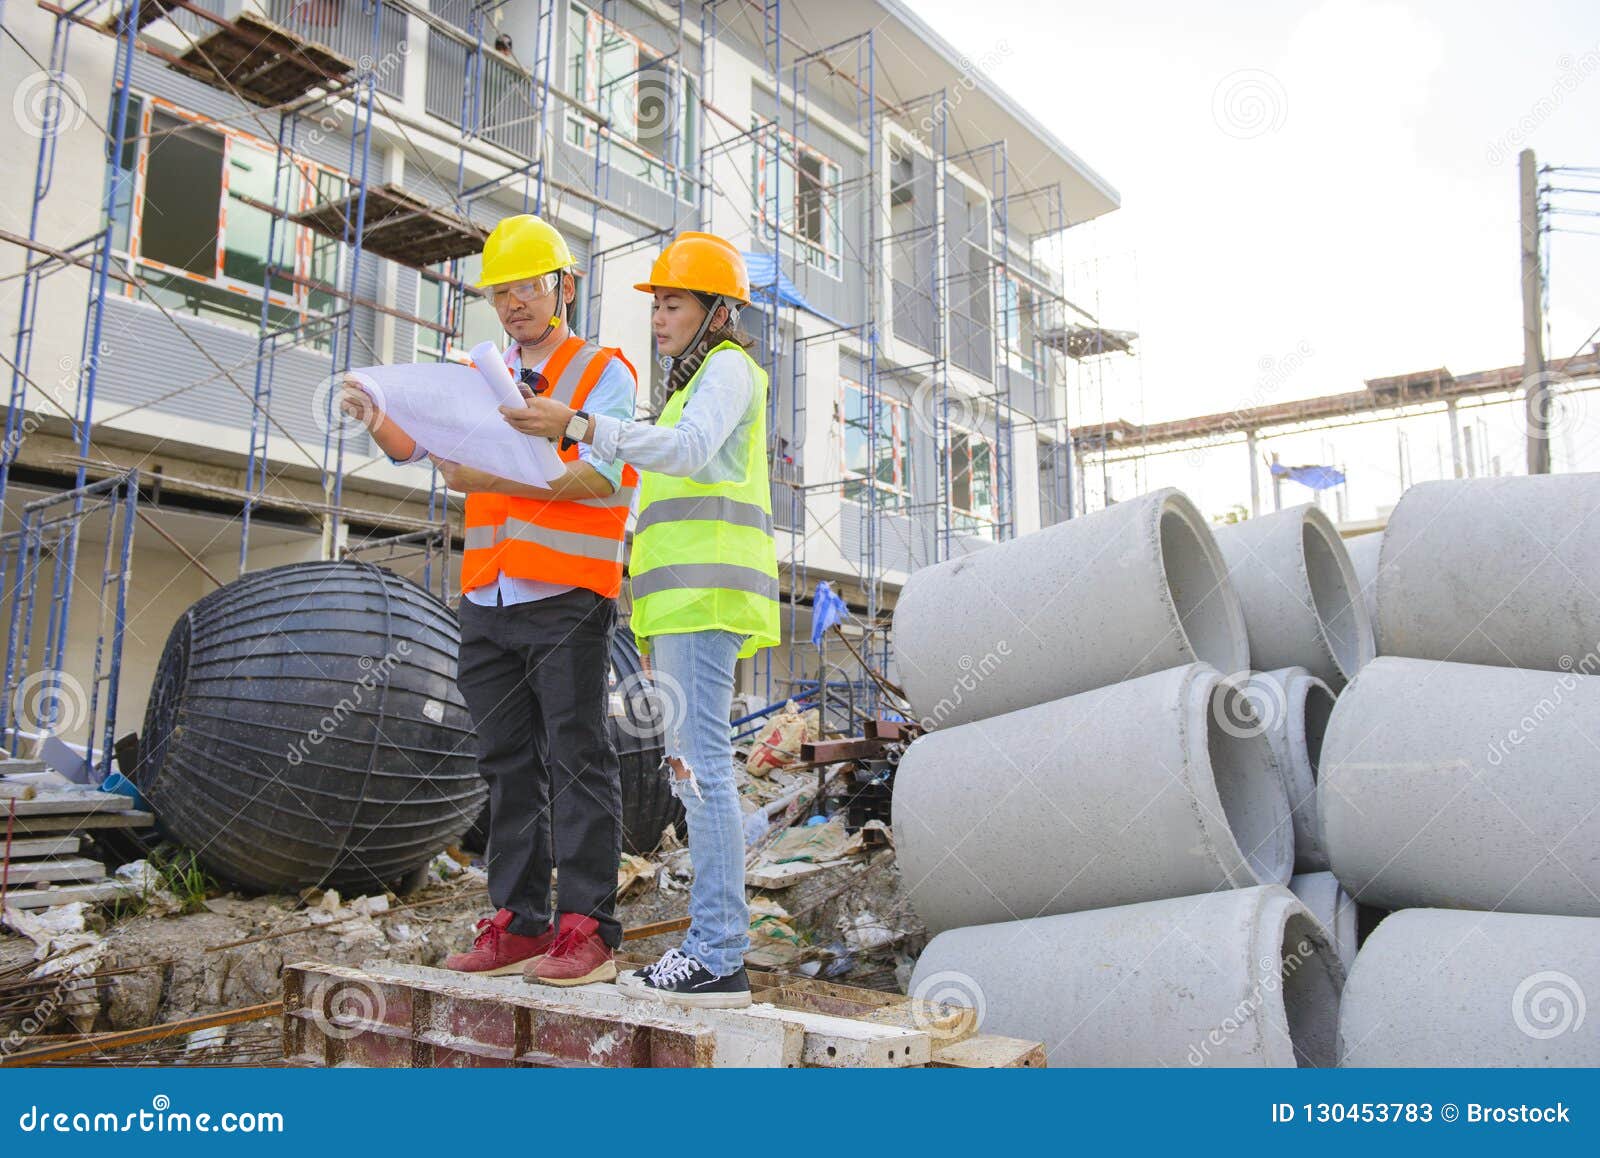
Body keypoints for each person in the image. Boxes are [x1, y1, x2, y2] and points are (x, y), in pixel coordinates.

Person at [343, 214, 637, 987]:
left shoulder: (603, 372)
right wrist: (373, 410)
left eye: (527, 288)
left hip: (569, 593)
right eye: (500, 293)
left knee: (577, 760)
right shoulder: (480, 373)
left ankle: (587, 929)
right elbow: (414, 446)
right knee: (506, 763)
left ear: (563, 288)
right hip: (490, 592)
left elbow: (606, 481)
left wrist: (497, 479)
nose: (513, 305)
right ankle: (518, 922)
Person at [502, 231, 780, 1007]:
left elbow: (688, 454)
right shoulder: (693, 382)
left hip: (704, 597)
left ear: (717, 312)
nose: (658, 318)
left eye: (673, 303)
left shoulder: (728, 370)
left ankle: (719, 952)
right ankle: (715, 948)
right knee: (694, 770)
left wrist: (582, 423)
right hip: (682, 601)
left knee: (701, 772)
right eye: (655, 304)